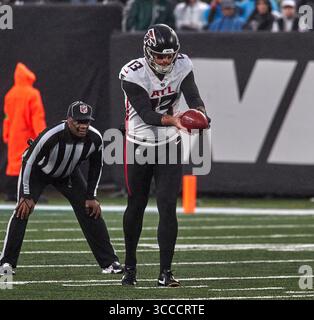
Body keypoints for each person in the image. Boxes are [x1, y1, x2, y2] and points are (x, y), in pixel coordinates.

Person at [119, 24, 210, 286]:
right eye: (159, 56)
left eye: (169, 55)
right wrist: (175, 120)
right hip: (139, 143)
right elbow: (147, 115)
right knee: (136, 205)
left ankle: (165, 272)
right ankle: (130, 267)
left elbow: (193, 97)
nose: (165, 60)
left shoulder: (182, 65)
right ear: (148, 53)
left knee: (168, 206)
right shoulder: (132, 74)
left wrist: (201, 115)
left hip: (169, 144)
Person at [0, 101, 123, 276]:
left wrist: (91, 196)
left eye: (86, 121)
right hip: (38, 171)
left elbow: (97, 166)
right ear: (68, 120)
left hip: (68, 174)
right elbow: (29, 160)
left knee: (91, 210)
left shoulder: (94, 138)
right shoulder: (52, 135)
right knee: (22, 211)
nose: (83, 126)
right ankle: (6, 263)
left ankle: (109, 263)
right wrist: (26, 194)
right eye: (78, 121)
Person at [2, 62, 46, 202]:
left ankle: (10, 192)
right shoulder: (32, 94)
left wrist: (6, 133)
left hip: (14, 134)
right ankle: (30, 192)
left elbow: (7, 117)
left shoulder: (10, 95)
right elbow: (37, 117)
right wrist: (42, 135)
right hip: (28, 135)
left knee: (14, 163)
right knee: (31, 162)